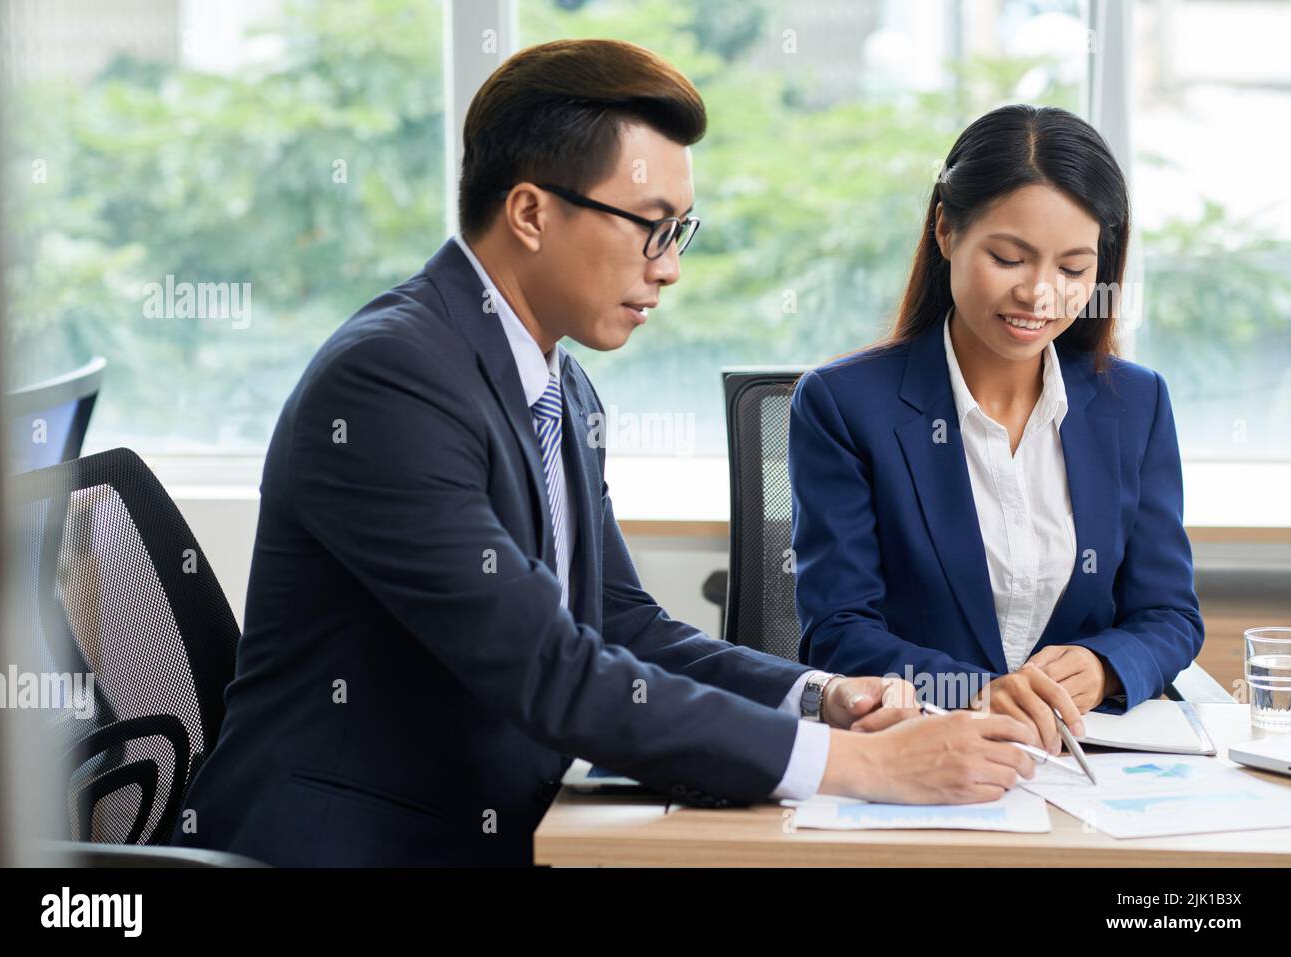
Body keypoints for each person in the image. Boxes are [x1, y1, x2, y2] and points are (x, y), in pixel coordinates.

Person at [173, 40, 1037, 867]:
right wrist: (868, 767)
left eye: (680, 231)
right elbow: (553, 672)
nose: (668, 268)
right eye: (649, 226)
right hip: (367, 845)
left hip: (502, 820)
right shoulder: (390, 381)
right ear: (530, 212)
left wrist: (818, 697)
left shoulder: (559, 383)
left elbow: (620, 622)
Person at [789, 104, 1204, 758]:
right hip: (920, 756)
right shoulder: (843, 405)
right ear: (947, 231)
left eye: (1072, 269)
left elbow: (1170, 616)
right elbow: (838, 632)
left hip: (1089, 765)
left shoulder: (1136, 403)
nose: (1040, 294)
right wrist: (975, 690)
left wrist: (1104, 666)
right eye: (1010, 257)